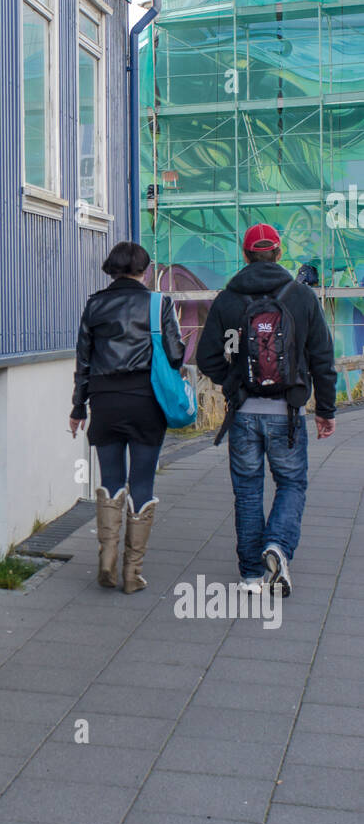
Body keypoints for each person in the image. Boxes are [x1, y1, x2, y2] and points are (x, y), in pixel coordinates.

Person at [196, 223, 336, 596]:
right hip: (288, 414)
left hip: (242, 414)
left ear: (245, 256)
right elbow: (322, 357)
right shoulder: (302, 297)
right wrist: (326, 409)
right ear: (278, 254)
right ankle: (277, 545)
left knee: (247, 490)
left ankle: (251, 576)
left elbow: (206, 356)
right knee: (291, 483)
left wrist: (232, 382)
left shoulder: (228, 299)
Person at [69, 241, 185, 593]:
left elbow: (83, 361)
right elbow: (176, 354)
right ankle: (132, 574)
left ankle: (106, 560)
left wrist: (78, 407)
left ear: (111, 268)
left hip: (104, 403)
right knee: (143, 482)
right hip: (146, 402)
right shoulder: (158, 303)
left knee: (111, 480)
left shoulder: (94, 305)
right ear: (144, 270)